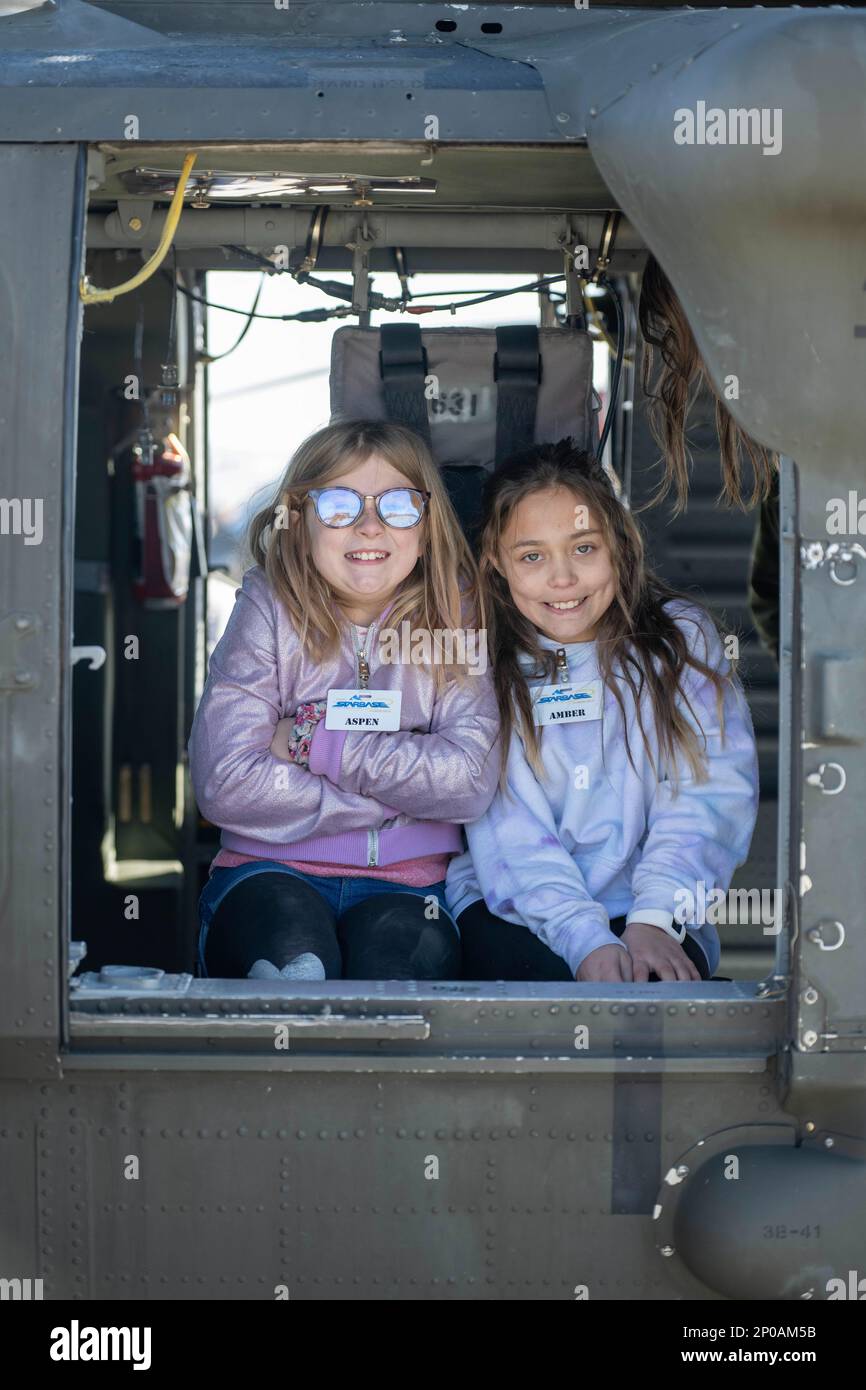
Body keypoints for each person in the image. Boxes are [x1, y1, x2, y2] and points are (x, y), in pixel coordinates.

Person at [188, 419, 499, 982]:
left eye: (400, 505)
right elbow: (224, 783)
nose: (370, 526)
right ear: (299, 518)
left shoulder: (455, 616)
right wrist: (403, 801)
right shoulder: (267, 609)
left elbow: (469, 784)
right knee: (295, 963)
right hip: (266, 872)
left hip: (409, 884)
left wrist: (314, 740)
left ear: (427, 525)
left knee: (395, 978)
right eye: (338, 505)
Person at [446, 439, 759, 983]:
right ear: (496, 562)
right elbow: (509, 833)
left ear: (619, 541)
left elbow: (710, 793)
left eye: (584, 548)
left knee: (652, 1004)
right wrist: (583, 938)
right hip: (517, 906)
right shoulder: (481, 661)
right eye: (532, 556)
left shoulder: (679, 641)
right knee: (543, 1000)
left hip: (652, 908)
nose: (562, 579)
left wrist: (655, 918)